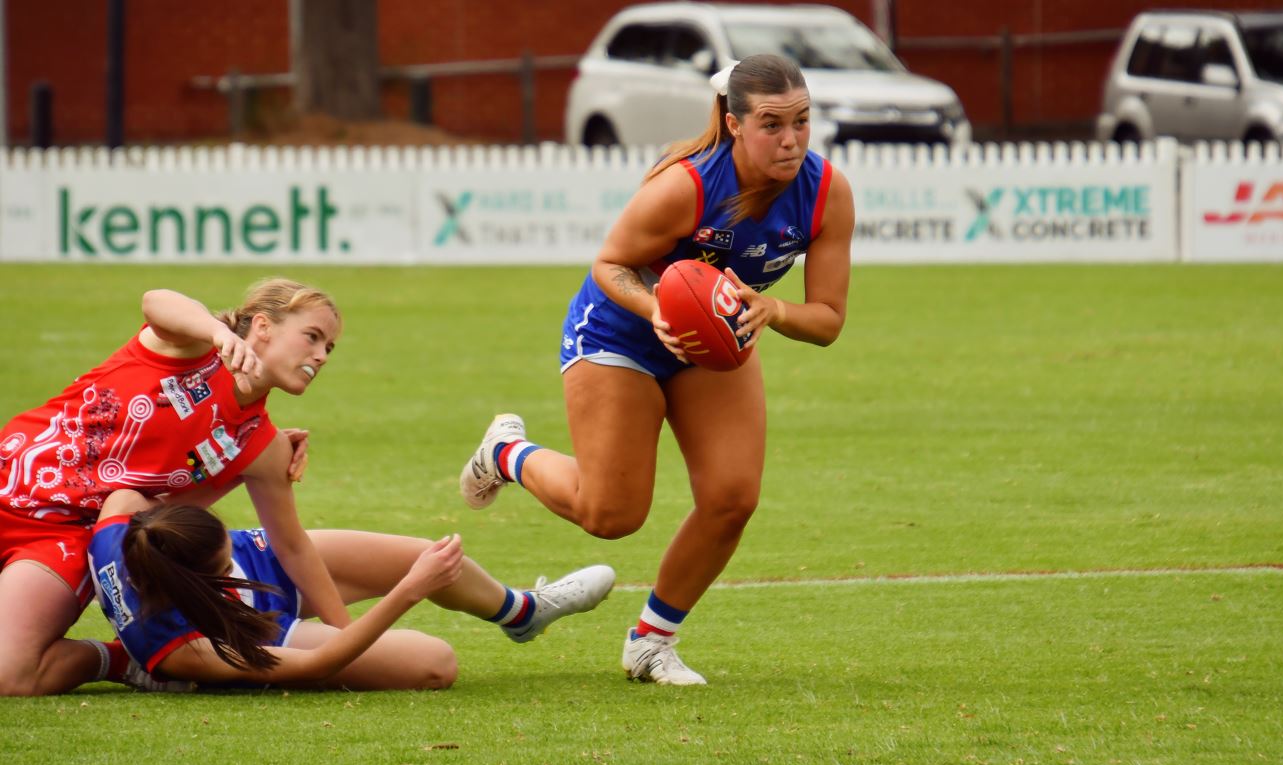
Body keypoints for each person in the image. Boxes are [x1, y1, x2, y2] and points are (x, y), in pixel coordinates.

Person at [459, 54, 854, 685]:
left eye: (803, 122)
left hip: (716, 340)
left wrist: (774, 308)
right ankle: (507, 453)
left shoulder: (826, 191)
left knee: (731, 498)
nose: (791, 140)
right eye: (773, 125)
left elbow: (829, 319)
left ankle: (650, 642)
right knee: (611, 516)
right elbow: (610, 264)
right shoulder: (688, 185)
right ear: (733, 125)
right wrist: (657, 309)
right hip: (621, 333)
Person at [4, 279, 352, 694]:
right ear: (262, 326)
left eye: (328, 347)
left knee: (12, 673)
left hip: (59, 539)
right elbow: (154, 300)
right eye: (312, 337)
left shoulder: (260, 443)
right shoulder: (196, 347)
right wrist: (216, 332)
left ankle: (123, 661)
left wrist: (346, 640)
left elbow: (292, 547)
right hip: (9, 474)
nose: (321, 355)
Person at [88, 490, 614, 688]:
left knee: (422, 554)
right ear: (199, 581)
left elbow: (127, 491)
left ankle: (522, 613)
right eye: (226, 560)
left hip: (260, 569)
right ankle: (126, 666)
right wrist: (409, 591)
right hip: (253, 632)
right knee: (436, 664)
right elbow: (316, 666)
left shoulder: (128, 525)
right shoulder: (189, 648)